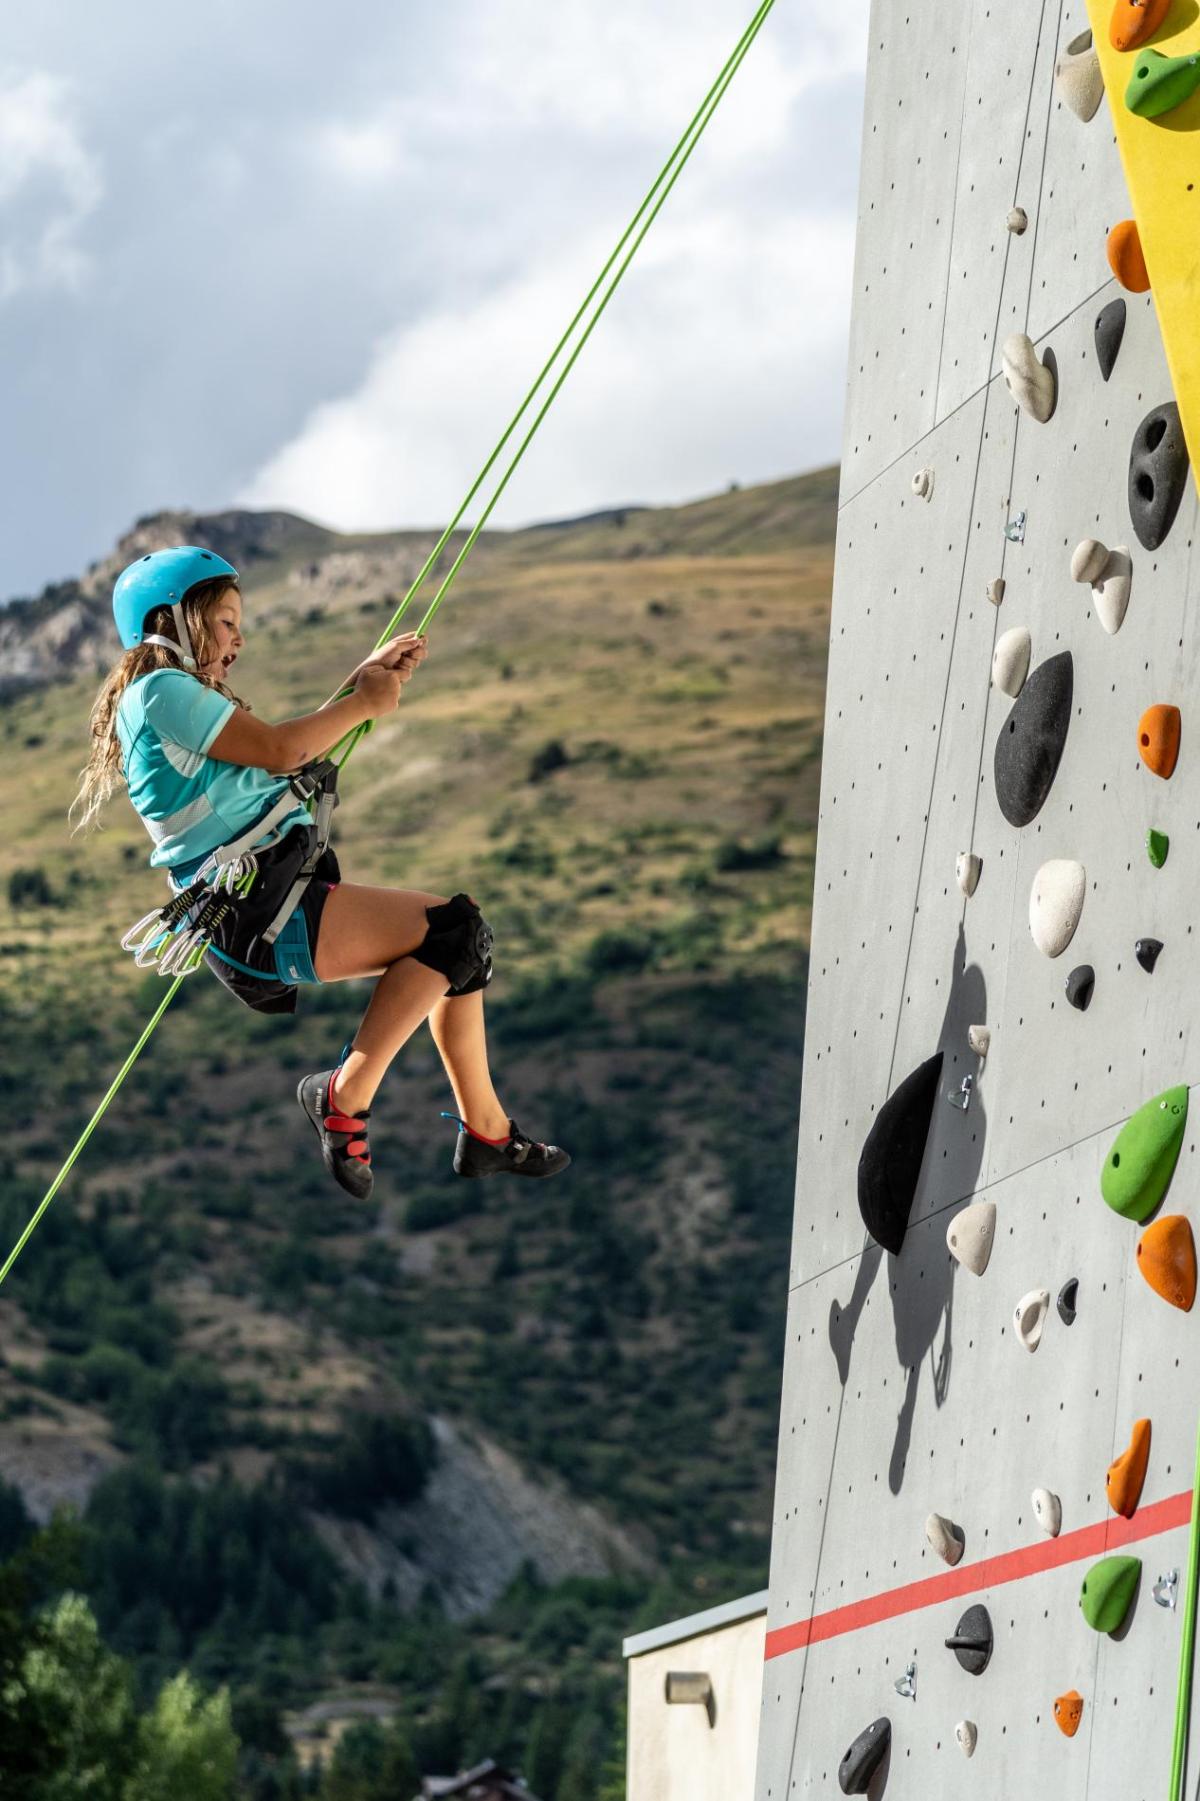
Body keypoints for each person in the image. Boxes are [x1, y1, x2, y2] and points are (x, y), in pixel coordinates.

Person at [73, 544, 570, 1202]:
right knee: (456, 932)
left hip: (266, 902)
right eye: (225, 620)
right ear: (172, 620)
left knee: (462, 945)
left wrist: (357, 683)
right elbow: (284, 750)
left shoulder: (173, 705)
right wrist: (364, 702)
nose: (238, 638)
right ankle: (342, 1097)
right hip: (260, 908)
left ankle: (486, 1131)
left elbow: (279, 751)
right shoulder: (158, 690)